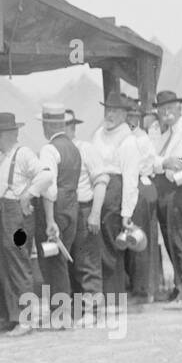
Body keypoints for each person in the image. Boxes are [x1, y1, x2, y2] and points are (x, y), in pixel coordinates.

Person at [0, 112, 48, 335]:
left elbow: (45, 176)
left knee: (19, 264)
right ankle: (13, 316)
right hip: (3, 214)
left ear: (4, 134)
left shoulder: (23, 154)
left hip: (17, 217)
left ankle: (26, 320)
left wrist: (27, 195)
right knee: (5, 264)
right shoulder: (1, 158)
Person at [149, 90, 182, 309]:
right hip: (162, 185)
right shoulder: (154, 130)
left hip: (181, 185)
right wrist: (164, 162)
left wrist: (173, 161)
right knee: (169, 238)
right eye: (162, 109)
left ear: (179, 108)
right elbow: (148, 157)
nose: (167, 113)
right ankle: (181, 285)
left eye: (171, 108)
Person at [93, 91, 141, 302]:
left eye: (115, 111)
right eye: (108, 109)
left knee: (112, 247)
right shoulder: (99, 134)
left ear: (124, 114)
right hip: (98, 191)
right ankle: (104, 296)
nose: (110, 114)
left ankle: (115, 299)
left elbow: (131, 179)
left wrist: (126, 212)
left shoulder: (128, 140)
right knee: (99, 246)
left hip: (115, 192)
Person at [32, 104, 78, 318]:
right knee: (60, 260)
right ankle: (63, 311)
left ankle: (61, 313)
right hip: (71, 208)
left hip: (55, 211)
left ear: (47, 126)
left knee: (53, 263)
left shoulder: (49, 149)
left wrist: (50, 219)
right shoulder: (73, 147)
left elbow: (49, 185)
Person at [63, 109, 107, 310]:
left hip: (84, 209)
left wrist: (95, 214)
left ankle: (94, 309)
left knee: (87, 262)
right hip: (64, 213)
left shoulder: (86, 149)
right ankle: (78, 307)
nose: (63, 130)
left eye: (66, 126)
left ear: (73, 128)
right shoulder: (53, 150)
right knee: (69, 262)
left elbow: (100, 181)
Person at [125, 99, 160, 304]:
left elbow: (143, 166)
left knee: (140, 237)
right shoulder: (125, 137)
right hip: (130, 186)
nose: (131, 119)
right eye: (128, 115)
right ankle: (137, 285)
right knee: (131, 237)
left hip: (140, 185)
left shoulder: (141, 138)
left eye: (134, 116)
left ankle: (144, 289)